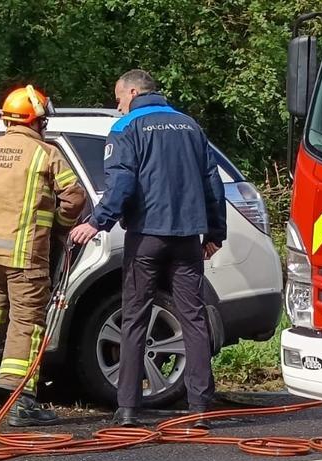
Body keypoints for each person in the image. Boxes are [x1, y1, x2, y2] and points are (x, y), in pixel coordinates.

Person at [69, 69, 226, 428]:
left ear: (135, 91)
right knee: (194, 319)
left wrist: (97, 222)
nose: (118, 105)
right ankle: (200, 408)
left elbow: (121, 183)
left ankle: (127, 409)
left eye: (119, 98)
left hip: (146, 238)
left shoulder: (126, 129)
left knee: (135, 318)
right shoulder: (189, 126)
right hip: (187, 239)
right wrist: (215, 232)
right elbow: (211, 182)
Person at [0, 85, 87, 427]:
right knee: (27, 323)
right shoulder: (47, 154)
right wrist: (59, 224)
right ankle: (20, 399)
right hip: (25, 253)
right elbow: (75, 199)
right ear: (37, 120)